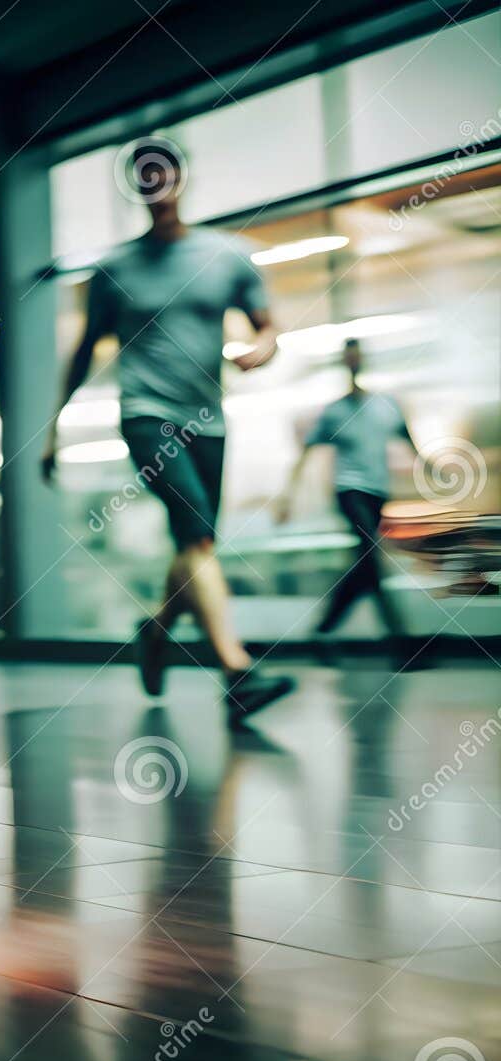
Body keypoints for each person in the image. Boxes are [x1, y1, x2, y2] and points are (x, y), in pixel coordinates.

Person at [43, 138, 295, 727]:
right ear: (136, 186)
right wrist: (53, 428)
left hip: (209, 419)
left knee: (196, 542)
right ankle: (237, 670)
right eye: (144, 173)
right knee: (197, 537)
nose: (155, 179)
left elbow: (268, 324)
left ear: (181, 178)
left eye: (163, 169)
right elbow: (83, 352)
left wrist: (263, 347)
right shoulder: (113, 270)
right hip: (146, 415)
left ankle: (155, 635)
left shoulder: (227, 255)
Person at [274, 338, 423, 665]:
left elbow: (409, 440)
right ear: (344, 362)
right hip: (349, 491)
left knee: (365, 566)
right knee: (371, 556)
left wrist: (434, 469)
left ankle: (323, 630)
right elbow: (306, 451)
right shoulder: (334, 411)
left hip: (376, 493)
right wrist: (287, 497)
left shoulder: (386, 405)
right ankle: (402, 645)